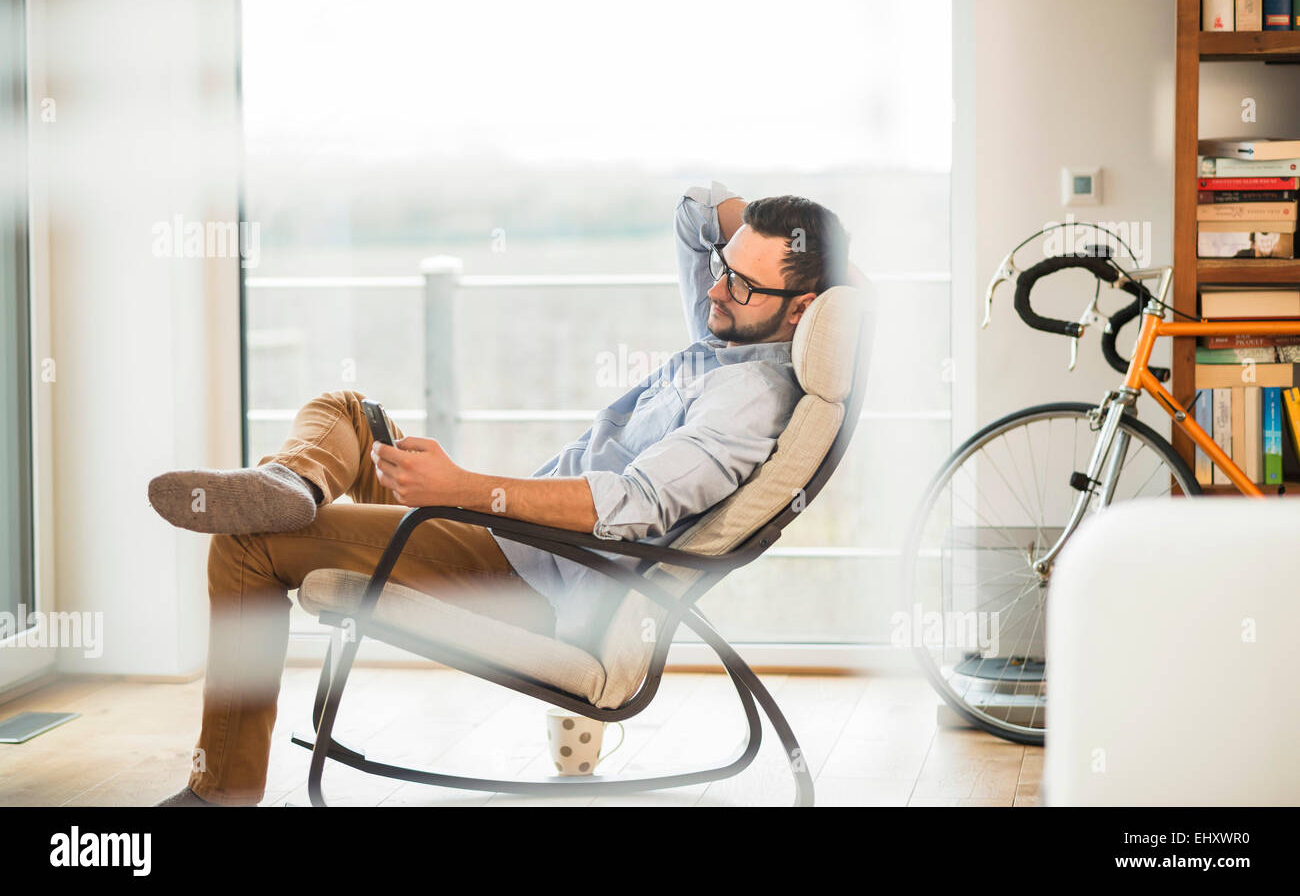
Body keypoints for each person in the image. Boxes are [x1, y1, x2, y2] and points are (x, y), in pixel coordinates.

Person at [150, 180, 855, 805]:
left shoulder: (748, 405)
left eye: (740, 285)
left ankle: (223, 794)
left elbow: (629, 503)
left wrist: (462, 488)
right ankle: (294, 481)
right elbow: (697, 210)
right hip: (511, 547)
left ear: (802, 312)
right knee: (348, 412)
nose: (714, 288)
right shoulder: (729, 331)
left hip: (528, 580)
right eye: (725, 267)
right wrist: (811, 253)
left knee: (244, 544)